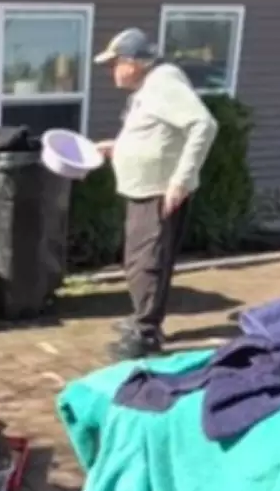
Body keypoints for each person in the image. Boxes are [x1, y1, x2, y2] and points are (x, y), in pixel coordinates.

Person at [93, 28, 218, 360]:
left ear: (133, 63)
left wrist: (181, 179)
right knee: (145, 260)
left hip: (158, 191)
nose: (112, 71)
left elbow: (203, 125)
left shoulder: (164, 84)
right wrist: (118, 147)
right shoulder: (152, 87)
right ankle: (144, 320)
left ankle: (145, 335)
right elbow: (157, 134)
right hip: (147, 189)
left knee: (146, 263)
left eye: (115, 63)